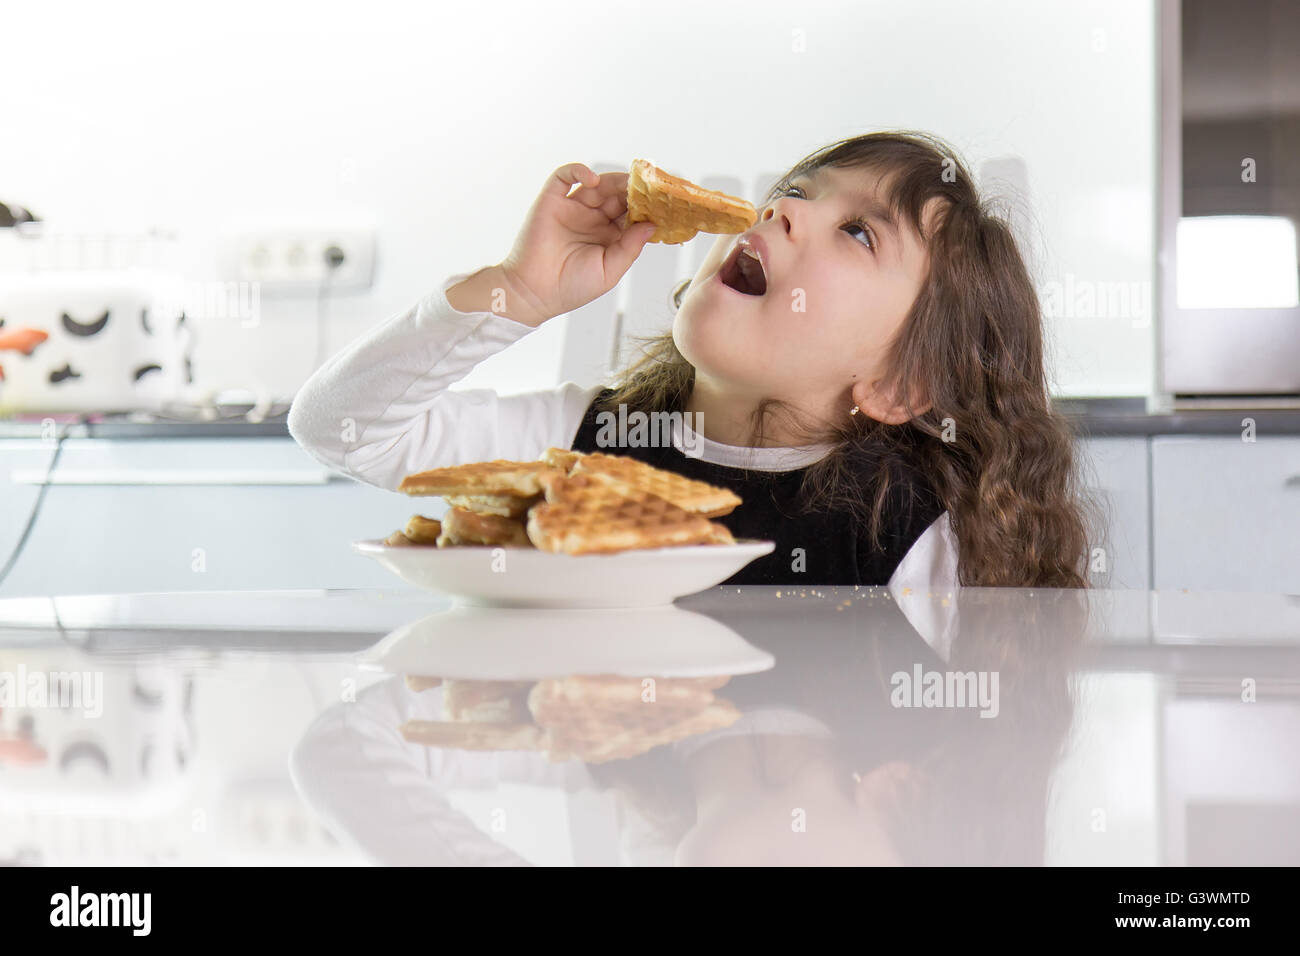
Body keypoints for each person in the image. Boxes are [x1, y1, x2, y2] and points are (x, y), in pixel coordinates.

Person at [288, 131, 1092, 589]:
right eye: (800, 190)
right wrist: (516, 292)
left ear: (899, 384)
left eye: (858, 231)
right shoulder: (586, 443)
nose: (784, 208)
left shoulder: (916, 537)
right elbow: (342, 430)